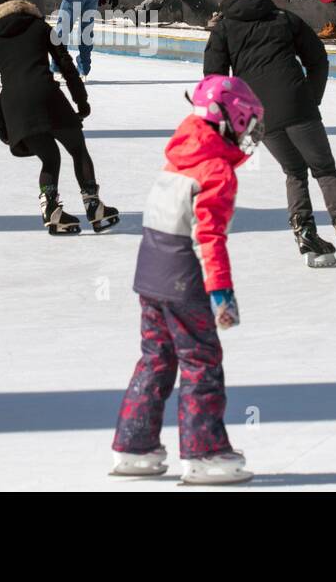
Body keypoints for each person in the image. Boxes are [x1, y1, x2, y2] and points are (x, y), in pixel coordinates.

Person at [111, 75, 263, 486]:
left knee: (156, 359)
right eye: (247, 124)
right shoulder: (216, 171)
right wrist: (222, 296)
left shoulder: (179, 155)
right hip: (184, 281)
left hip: (150, 277)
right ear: (230, 120)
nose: (249, 135)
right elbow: (209, 239)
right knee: (201, 363)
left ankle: (134, 446)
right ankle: (205, 452)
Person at [204, 0, 336, 267]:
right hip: (298, 106)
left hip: (260, 116)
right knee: (324, 170)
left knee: (294, 171)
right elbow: (318, 59)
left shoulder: (223, 28)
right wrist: (311, 99)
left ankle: (307, 237)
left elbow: (215, 83)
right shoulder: (284, 19)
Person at [0, 0, 119, 235]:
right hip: (46, 95)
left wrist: (2, 127)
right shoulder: (40, 27)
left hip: (15, 107)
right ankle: (94, 207)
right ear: (21, 3)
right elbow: (65, 63)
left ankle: (51, 211)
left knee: (50, 158)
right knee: (78, 149)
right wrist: (81, 99)